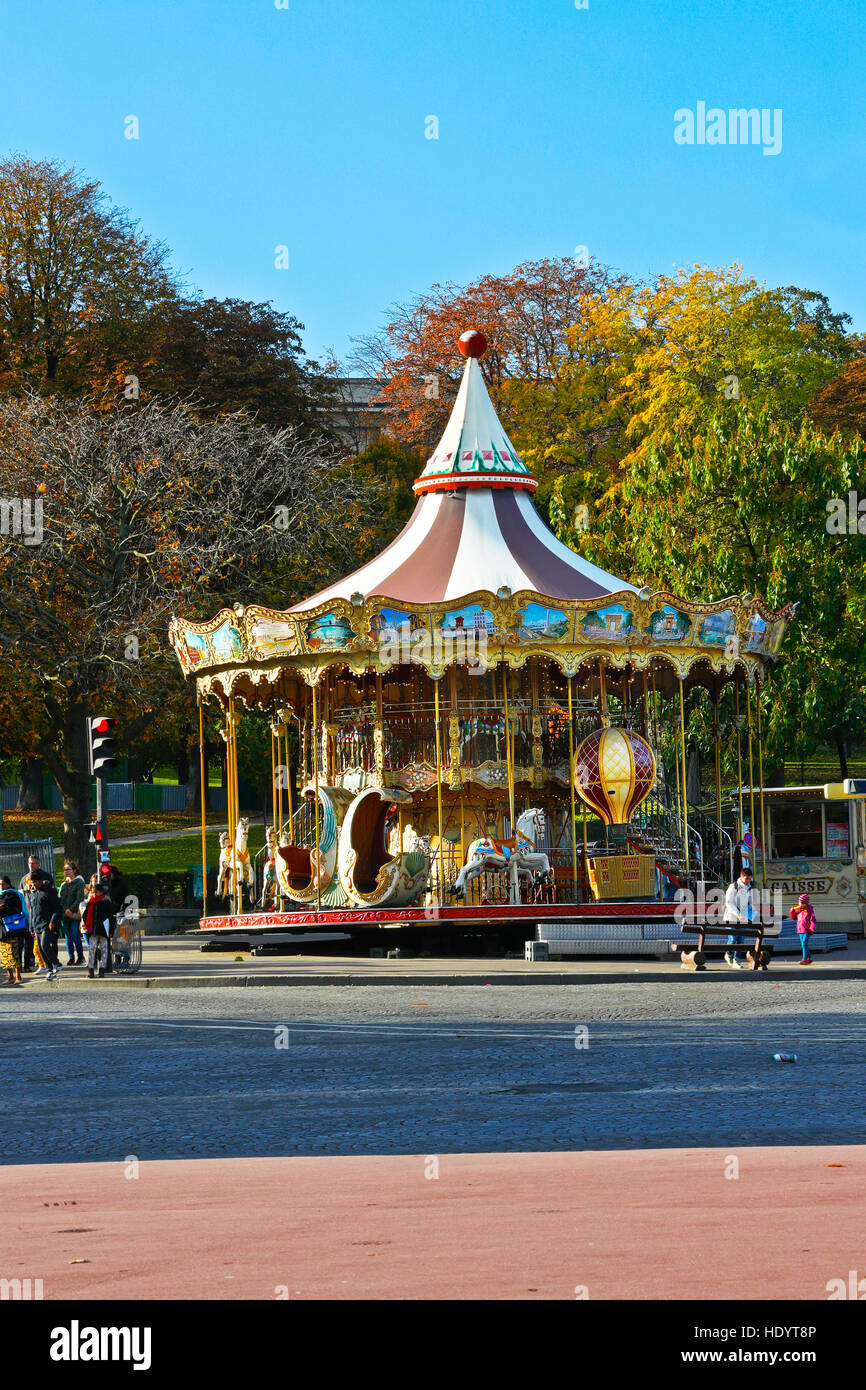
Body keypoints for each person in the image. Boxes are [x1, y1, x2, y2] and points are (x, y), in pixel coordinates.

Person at [26, 871, 64, 981]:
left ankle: (57, 964)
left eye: (35, 882)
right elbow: (32, 912)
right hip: (36, 925)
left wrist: (53, 921)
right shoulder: (33, 893)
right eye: (32, 882)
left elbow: (57, 909)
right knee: (40, 949)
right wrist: (31, 927)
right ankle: (49, 969)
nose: (33, 884)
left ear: (41, 881)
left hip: (47, 924)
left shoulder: (50, 891)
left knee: (45, 945)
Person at [80, 874, 114, 978]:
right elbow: (85, 915)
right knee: (92, 950)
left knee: (104, 950)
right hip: (93, 931)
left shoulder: (106, 902)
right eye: (93, 892)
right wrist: (87, 925)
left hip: (103, 931)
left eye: (96, 892)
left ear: (101, 892)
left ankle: (102, 970)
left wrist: (111, 930)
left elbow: (111, 917)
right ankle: (91, 970)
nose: (94, 894)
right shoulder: (91, 902)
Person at [723, 867, 754, 969]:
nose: (748, 880)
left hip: (743, 918)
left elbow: (750, 903)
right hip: (731, 917)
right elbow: (729, 903)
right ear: (741, 876)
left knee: (741, 940)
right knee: (733, 938)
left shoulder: (749, 888)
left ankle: (736, 960)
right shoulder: (733, 886)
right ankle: (729, 954)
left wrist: (751, 916)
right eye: (746, 878)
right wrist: (738, 914)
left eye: (750, 878)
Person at [0, 876, 28, 985]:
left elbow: (16, 910)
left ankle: (18, 976)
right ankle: (10, 976)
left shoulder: (13, 895)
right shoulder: (1, 895)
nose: (1, 886)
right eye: (0, 884)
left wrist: (3, 908)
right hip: (2, 929)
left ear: (8, 884)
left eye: (3, 883)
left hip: (12, 928)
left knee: (14, 952)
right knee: (4, 954)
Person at [59, 861, 87, 966]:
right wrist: (63, 911)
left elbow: (79, 898)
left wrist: (71, 909)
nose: (66, 871)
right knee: (68, 937)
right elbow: (60, 899)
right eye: (65, 870)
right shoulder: (64, 884)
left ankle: (80, 956)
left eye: (68, 869)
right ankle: (71, 957)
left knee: (75, 934)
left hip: (75, 914)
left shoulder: (79, 882)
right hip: (65, 914)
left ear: (74, 870)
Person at [789, 891, 817, 965]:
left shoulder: (809, 910)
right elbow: (794, 918)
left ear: (806, 903)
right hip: (800, 930)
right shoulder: (799, 910)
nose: (800, 904)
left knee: (804, 943)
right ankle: (809, 958)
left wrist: (812, 927)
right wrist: (792, 911)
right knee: (804, 944)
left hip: (807, 930)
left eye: (802, 903)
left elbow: (813, 919)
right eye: (799, 902)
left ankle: (804, 959)